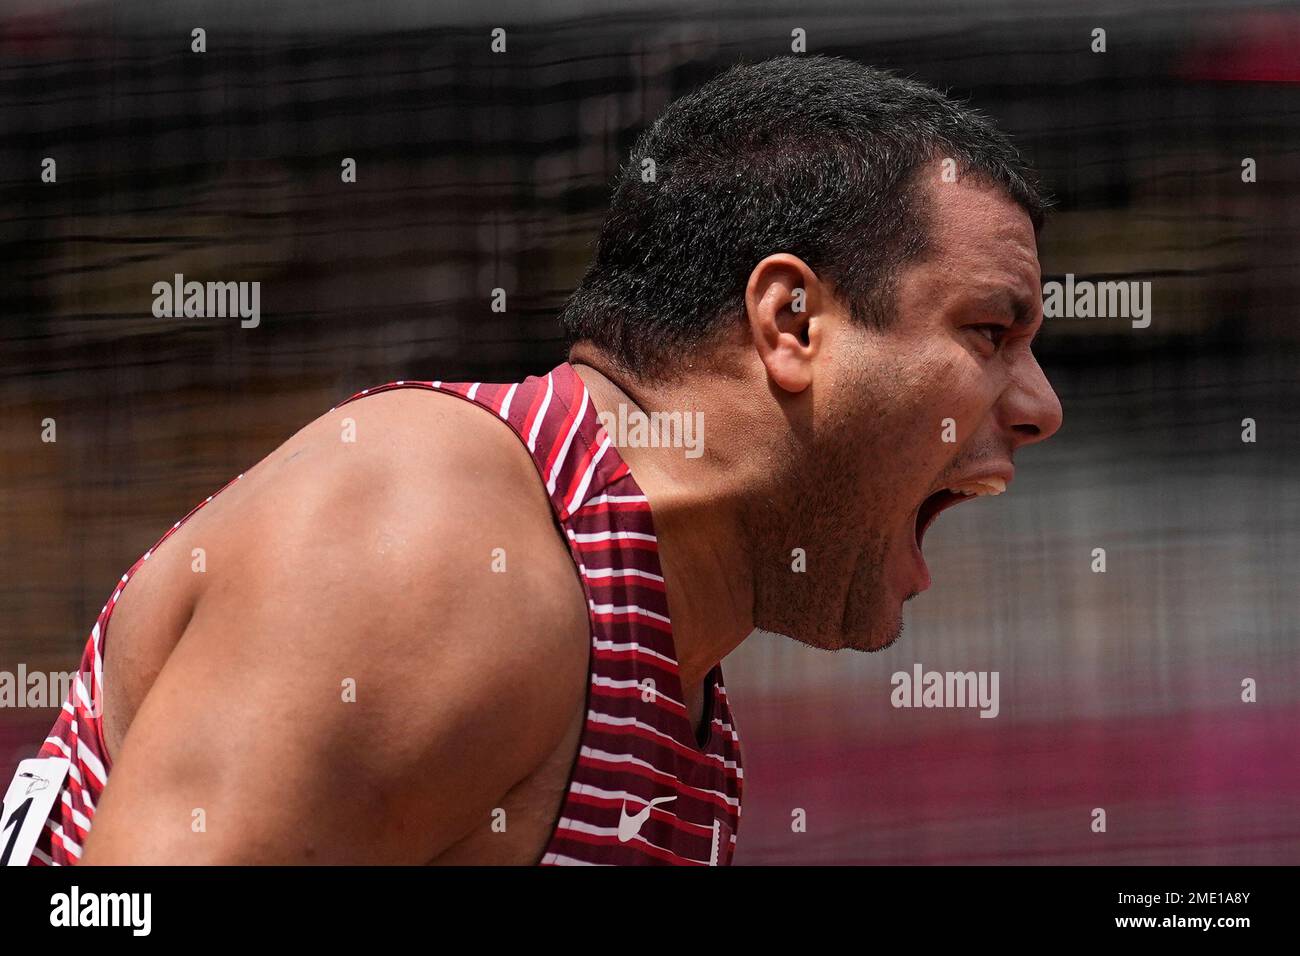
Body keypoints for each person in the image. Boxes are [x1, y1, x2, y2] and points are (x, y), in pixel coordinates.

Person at [7, 54, 1061, 866]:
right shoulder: (440, 540)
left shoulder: (671, 690)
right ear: (791, 323)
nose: (1040, 407)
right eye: (990, 330)